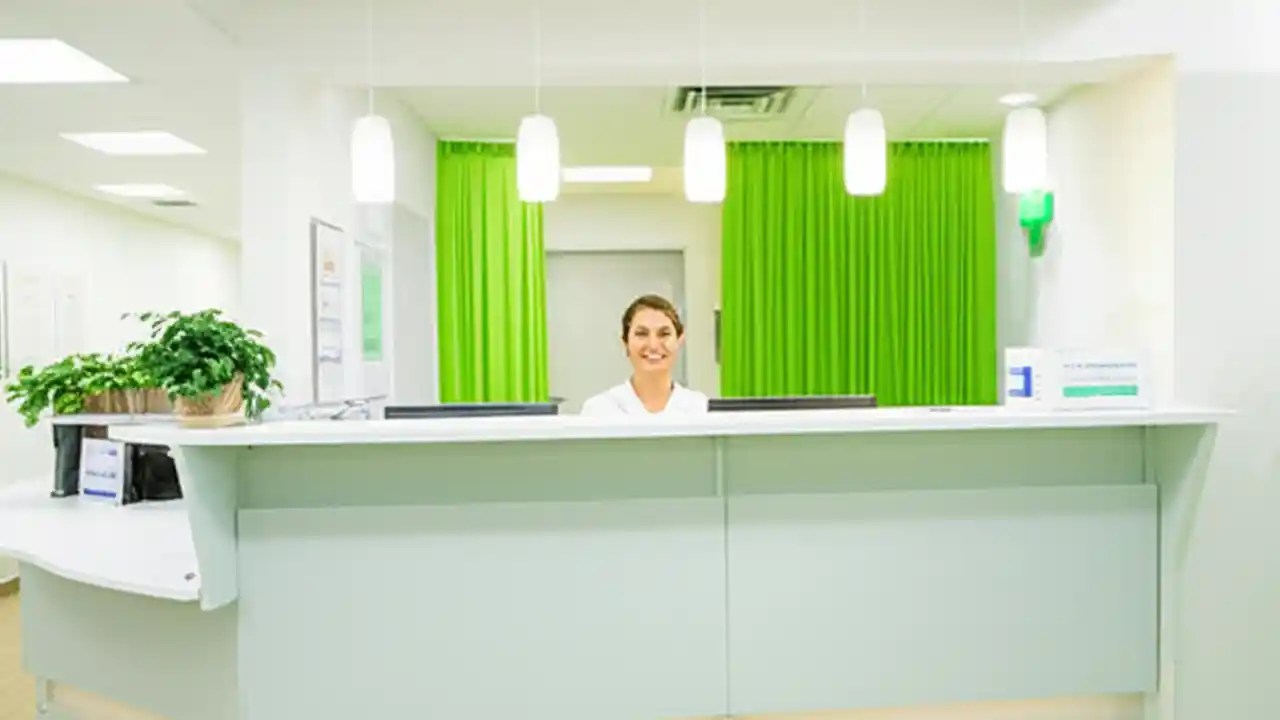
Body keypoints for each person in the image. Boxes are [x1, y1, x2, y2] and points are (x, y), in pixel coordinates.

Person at [580, 294, 709, 416]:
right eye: (642, 334)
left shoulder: (700, 408)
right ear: (625, 342)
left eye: (664, 334)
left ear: (679, 341)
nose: (653, 345)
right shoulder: (599, 410)